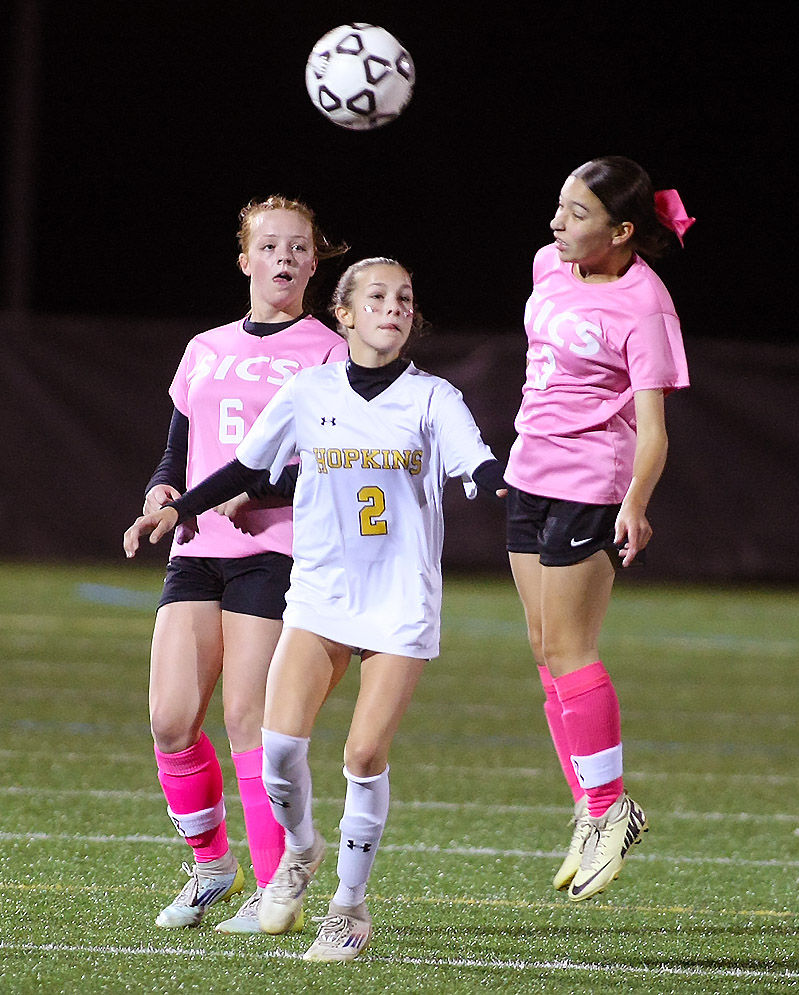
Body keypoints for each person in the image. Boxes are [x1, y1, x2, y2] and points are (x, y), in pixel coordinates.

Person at [125, 257, 505, 961]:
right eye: (378, 297)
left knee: (363, 751)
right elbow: (246, 467)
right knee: (278, 751)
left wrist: (496, 482)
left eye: (405, 299)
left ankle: (349, 909)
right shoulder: (309, 391)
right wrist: (178, 505)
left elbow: (473, 460)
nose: (393, 307)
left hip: (397, 603)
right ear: (345, 314)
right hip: (321, 597)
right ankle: (300, 852)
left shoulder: (433, 397)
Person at [137, 195, 348, 933]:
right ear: (245, 259)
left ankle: (272, 884)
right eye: (270, 246)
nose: (284, 258)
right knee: (169, 720)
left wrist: (265, 490)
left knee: (246, 719)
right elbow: (178, 445)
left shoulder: (327, 350)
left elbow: (340, 461)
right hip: (198, 550)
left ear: (314, 264)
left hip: (276, 548)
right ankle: (211, 865)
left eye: (298, 248)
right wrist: (164, 489)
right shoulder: (205, 346)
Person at [503, 155, 694, 902]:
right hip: (529, 473)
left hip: (590, 484)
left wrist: (636, 501)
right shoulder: (549, 265)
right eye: (559, 207)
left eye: (577, 213)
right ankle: (589, 805)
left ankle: (614, 807)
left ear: (621, 230)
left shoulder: (645, 304)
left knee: (574, 646)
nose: (558, 222)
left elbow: (653, 429)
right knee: (544, 647)